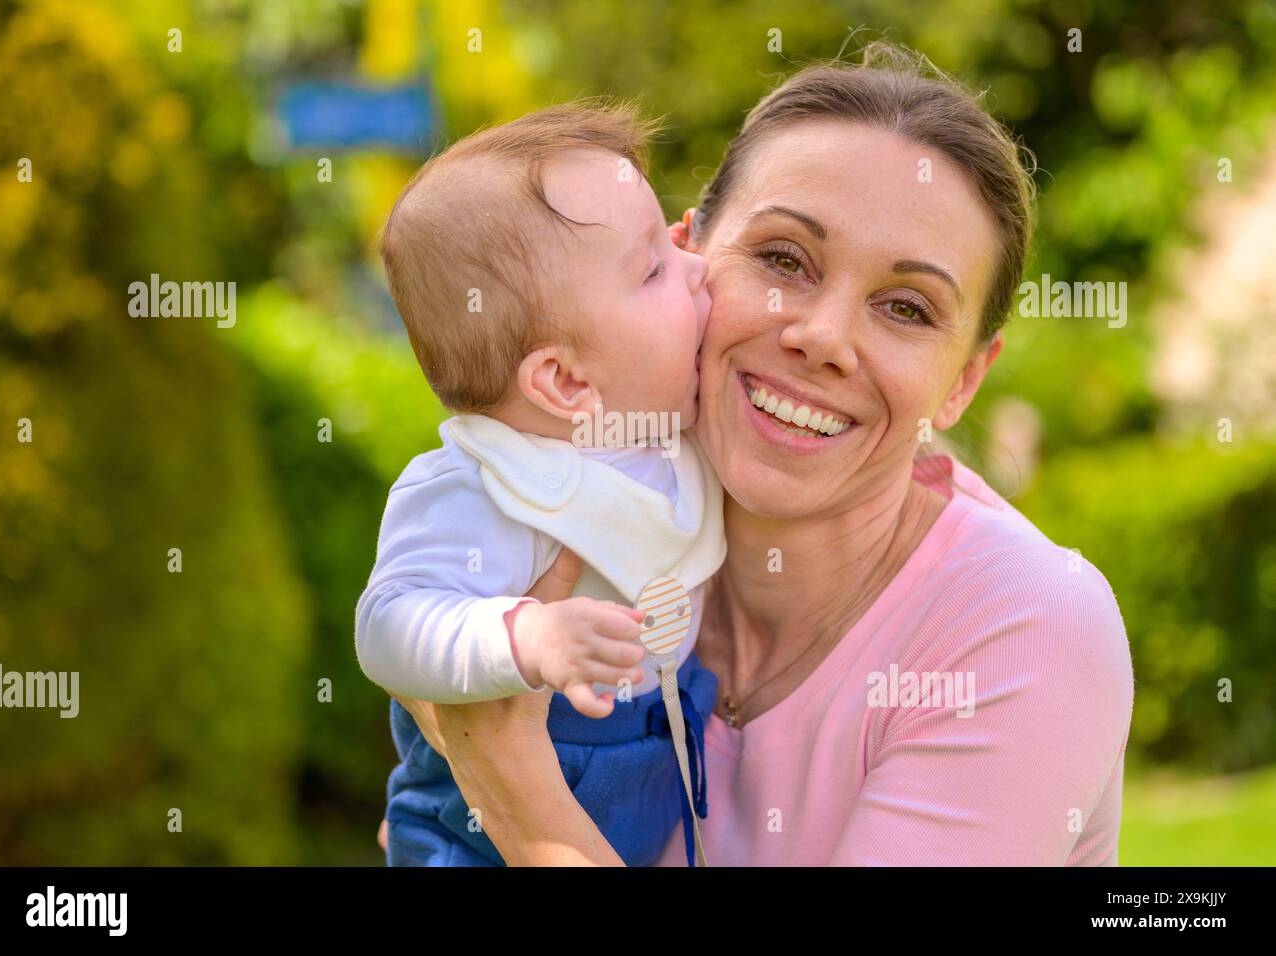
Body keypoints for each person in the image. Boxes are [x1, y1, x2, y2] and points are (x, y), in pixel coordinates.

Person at [391, 45, 1136, 866]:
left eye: (907, 308)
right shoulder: (610, 516)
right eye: (784, 260)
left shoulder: (1023, 625)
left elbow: (488, 772)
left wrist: (520, 807)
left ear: (962, 382)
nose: (822, 338)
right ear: (689, 256)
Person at [358, 102, 725, 867]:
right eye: (655, 266)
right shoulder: (485, 485)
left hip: (646, 778)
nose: (700, 267)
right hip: (474, 835)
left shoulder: (670, 427)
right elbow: (388, 624)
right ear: (563, 380)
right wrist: (524, 636)